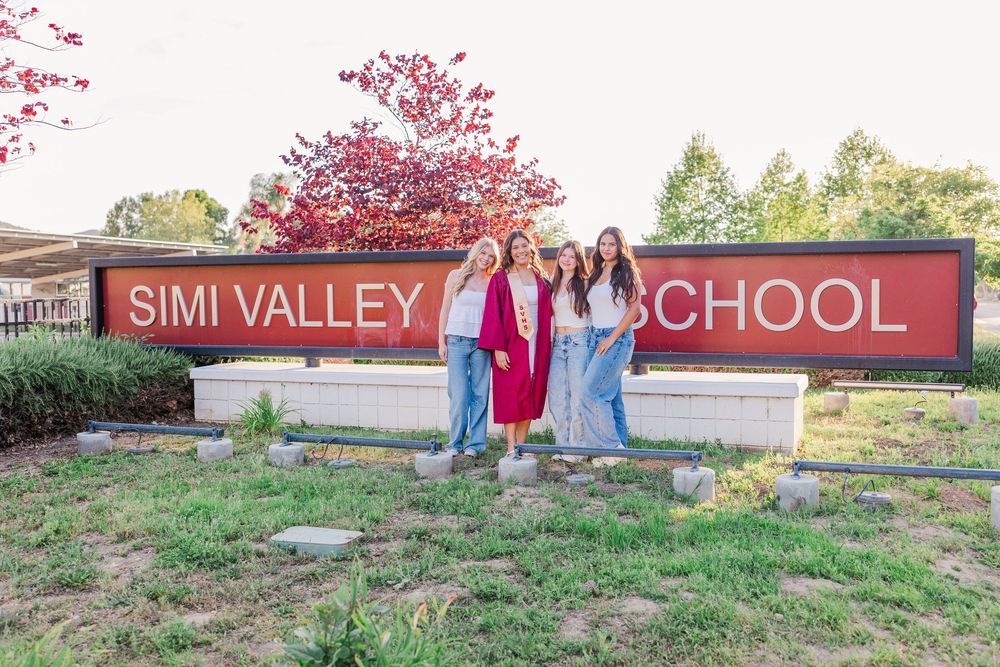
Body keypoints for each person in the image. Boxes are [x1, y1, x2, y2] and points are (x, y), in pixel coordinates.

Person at [479, 229, 553, 456]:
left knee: (532, 391)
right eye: (515, 248)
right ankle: (512, 447)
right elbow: (493, 315)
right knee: (511, 393)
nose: (521, 251)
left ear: (531, 248)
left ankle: (522, 444)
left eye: (524, 246)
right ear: (510, 252)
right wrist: (498, 349)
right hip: (511, 343)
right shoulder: (501, 279)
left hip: (537, 343)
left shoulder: (541, 278)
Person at [581, 226, 643, 467]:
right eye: (603, 244)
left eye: (611, 244)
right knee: (612, 397)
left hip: (616, 339)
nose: (606, 248)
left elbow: (634, 309)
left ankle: (609, 448)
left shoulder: (627, 273)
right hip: (594, 337)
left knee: (591, 392)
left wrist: (612, 338)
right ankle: (621, 450)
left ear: (620, 247)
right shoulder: (595, 273)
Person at [437, 238, 501, 457]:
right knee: (459, 394)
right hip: (456, 341)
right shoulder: (456, 276)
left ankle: (475, 445)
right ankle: (455, 444)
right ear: (475, 253)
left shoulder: (493, 281)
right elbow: (445, 310)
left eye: (490, 256)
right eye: (483, 253)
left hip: (482, 344)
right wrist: (441, 341)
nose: (486, 259)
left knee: (480, 394)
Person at [548, 240, 591, 463]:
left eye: (572, 256)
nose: (567, 259)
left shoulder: (584, 283)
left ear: (578, 260)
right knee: (556, 397)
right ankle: (562, 446)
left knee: (577, 397)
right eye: (564, 255)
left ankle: (578, 449)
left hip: (578, 342)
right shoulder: (552, 283)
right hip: (557, 343)